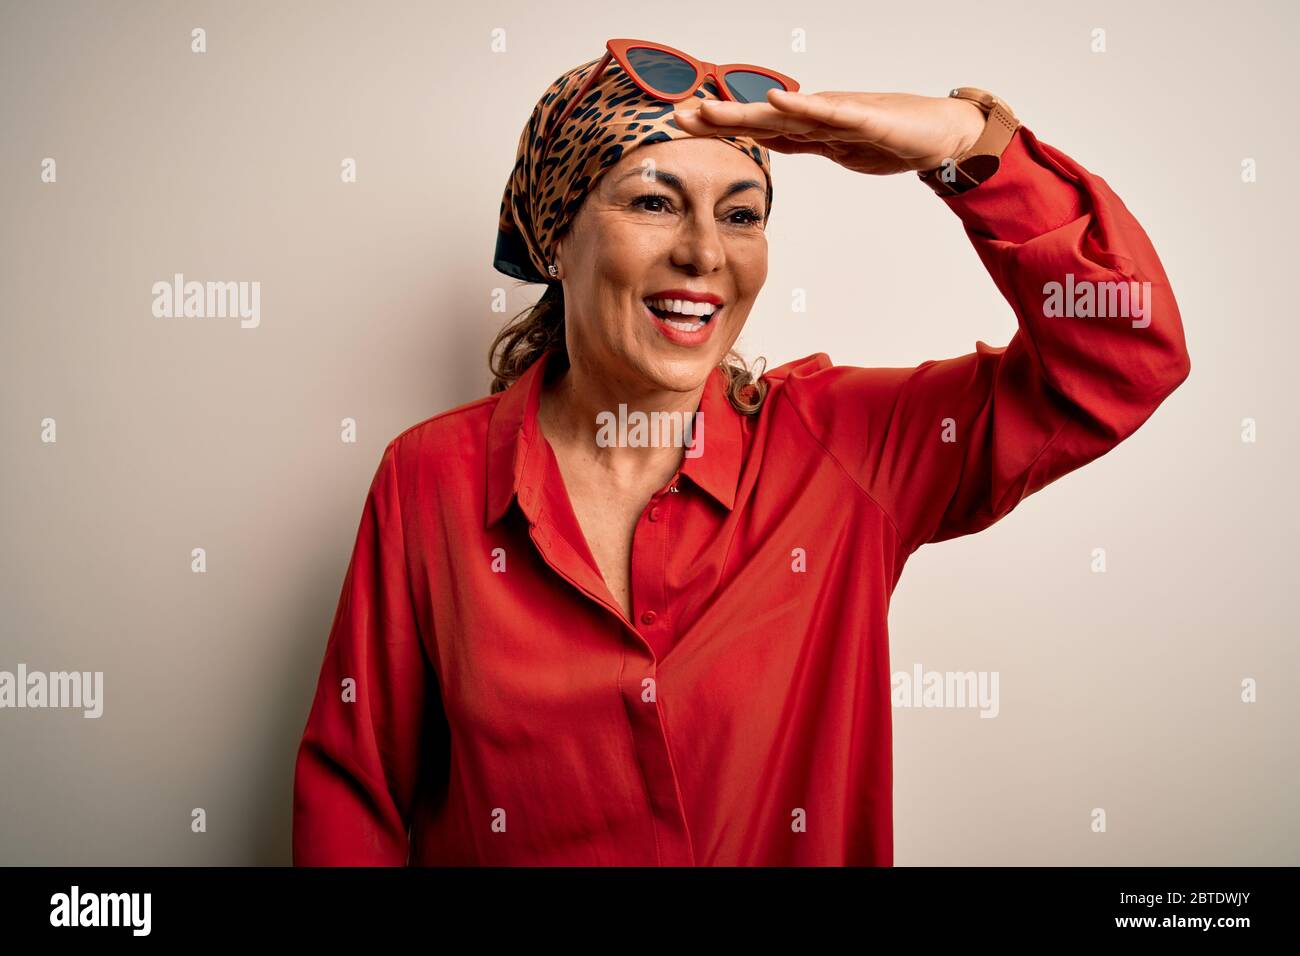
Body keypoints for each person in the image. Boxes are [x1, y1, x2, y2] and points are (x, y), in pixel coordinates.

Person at [292, 41, 1190, 866]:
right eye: (653, 202)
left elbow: (1122, 359)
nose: (703, 253)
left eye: (740, 214)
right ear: (556, 237)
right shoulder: (430, 478)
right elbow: (354, 795)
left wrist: (966, 144)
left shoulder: (848, 451)